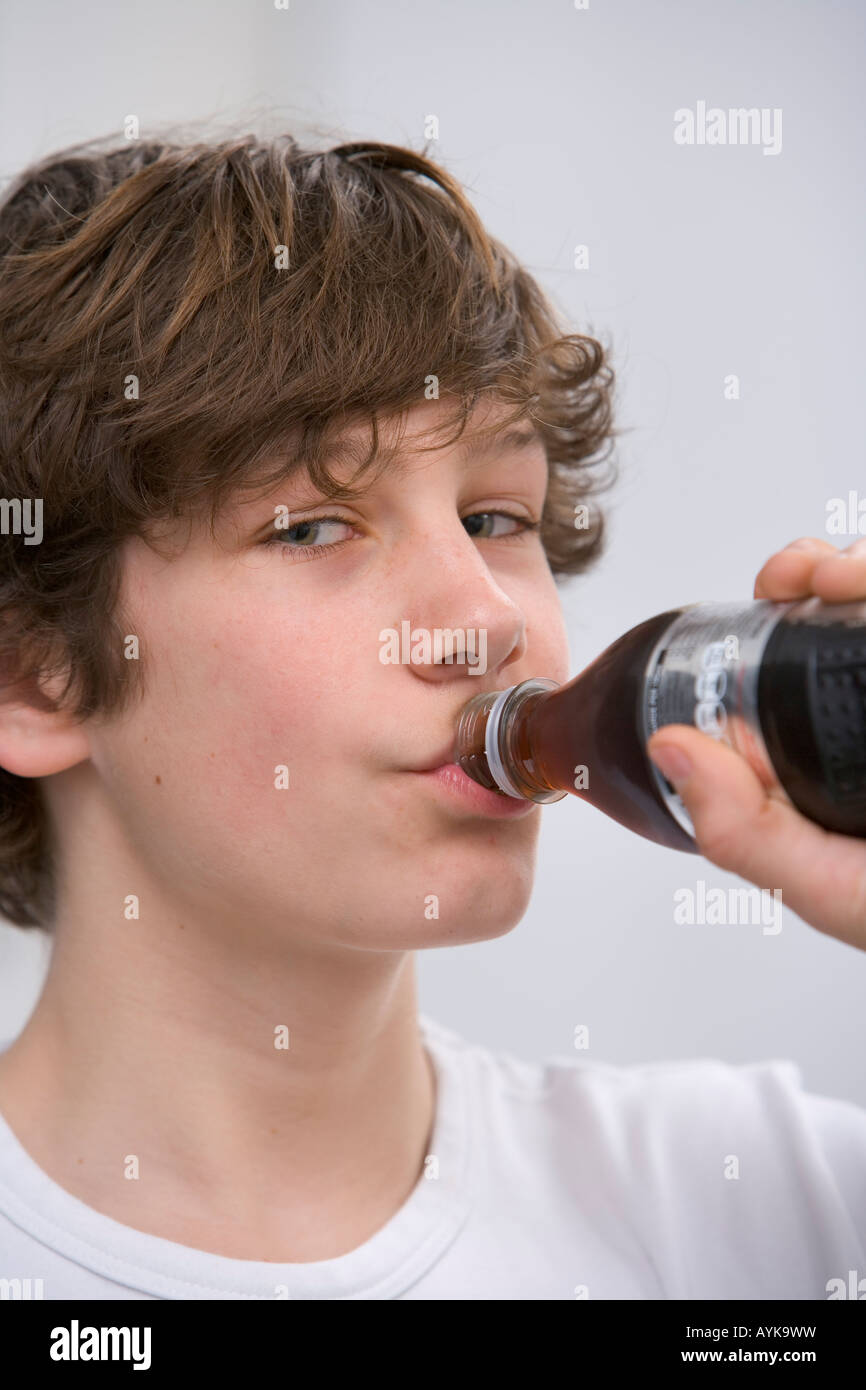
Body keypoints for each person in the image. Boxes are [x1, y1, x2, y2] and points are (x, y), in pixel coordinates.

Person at [0, 131, 863, 1301]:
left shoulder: (768, 1215)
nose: (482, 616)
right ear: (33, 676)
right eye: (311, 527)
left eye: (498, 516)